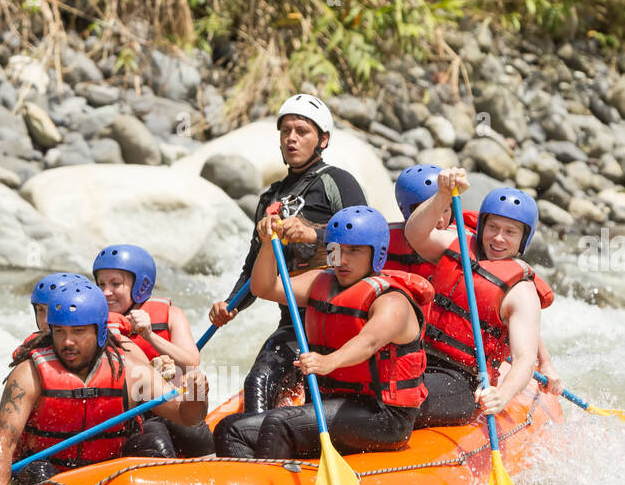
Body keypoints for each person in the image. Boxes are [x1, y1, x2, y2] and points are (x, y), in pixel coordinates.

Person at [0, 280, 209, 485]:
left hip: (106, 478)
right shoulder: (29, 374)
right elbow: (4, 440)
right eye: (60, 332)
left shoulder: (131, 371)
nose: (68, 342)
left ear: (101, 332)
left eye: (78, 332)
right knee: (40, 474)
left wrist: (197, 395)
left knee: (150, 445)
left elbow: (188, 418)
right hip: (48, 478)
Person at [214, 205, 431, 460]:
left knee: (278, 423)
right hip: (332, 404)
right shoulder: (320, 281)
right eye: (336, 251)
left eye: (354, 251)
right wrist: (265, 244)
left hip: (383, 415)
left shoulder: (392, 302)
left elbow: (368, 342)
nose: (342, 260)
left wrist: (329, 361)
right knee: (230, 429)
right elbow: (264, 287)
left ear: (378, 254)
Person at [207, 94, 368, 414]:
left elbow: (367, 238)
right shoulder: (271, 197)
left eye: (302, 131)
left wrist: (316, 233)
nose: (291, 138)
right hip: (293, 324)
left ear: (322, 140)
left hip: (338, 318)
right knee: (257, 383)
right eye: (285, 131)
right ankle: (253, 452)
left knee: (314, 392)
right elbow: (254, 266)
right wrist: (230, 305)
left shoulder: (338, 182)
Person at [404, 169, 558, 427]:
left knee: (396, 392)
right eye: (493, 227)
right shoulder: (459, 244)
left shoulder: (521, 291)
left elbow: (523, 359)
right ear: (483, 226)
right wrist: (442, 195)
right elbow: (415, 234)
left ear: (523, 239)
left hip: (462, 380)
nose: (498, 238)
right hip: (416, 354)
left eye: (510, 232)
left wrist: (502, 395)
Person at [0, 272, 148, 452]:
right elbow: (13, 419)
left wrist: (161, 366)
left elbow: (149, 379)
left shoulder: (117, 348)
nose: (45, 320)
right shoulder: (31, 359)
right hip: (51, 455)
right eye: (41, 311)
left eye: (52, 310)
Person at [93, 243, 214, 457]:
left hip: (173, 407)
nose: (106, 292)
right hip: (132, 418)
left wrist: (149, 335)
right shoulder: (92, 325)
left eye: (115, 284)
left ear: (141, 285)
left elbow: (191, 362)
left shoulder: (170, 315)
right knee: (157, 436)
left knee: (195, 433)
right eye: (101, 284)